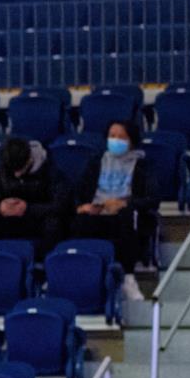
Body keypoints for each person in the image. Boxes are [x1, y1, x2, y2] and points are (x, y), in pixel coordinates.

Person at [72, 122, 158, 298]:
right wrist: (84, 206)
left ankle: (127, 276)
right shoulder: (96, 162)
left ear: (131, 141)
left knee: (127, 217)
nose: (115, 140)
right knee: (80, 220)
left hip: (125, 213)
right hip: (98, 212)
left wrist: (125, 203)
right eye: (112, 136)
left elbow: (152, 199)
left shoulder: (142, 165)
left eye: (121, 137)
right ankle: (84, 276)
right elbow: (78, 192)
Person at [0, 136, 70, 257]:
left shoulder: (51, 170)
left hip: (37, 219)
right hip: (8, 219)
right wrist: (0, 208)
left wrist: (28, 208)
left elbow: (60, 206)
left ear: (29, 159)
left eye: (20, 169)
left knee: (53, 225)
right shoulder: (1, 171)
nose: (16, 174)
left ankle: (46, 263)